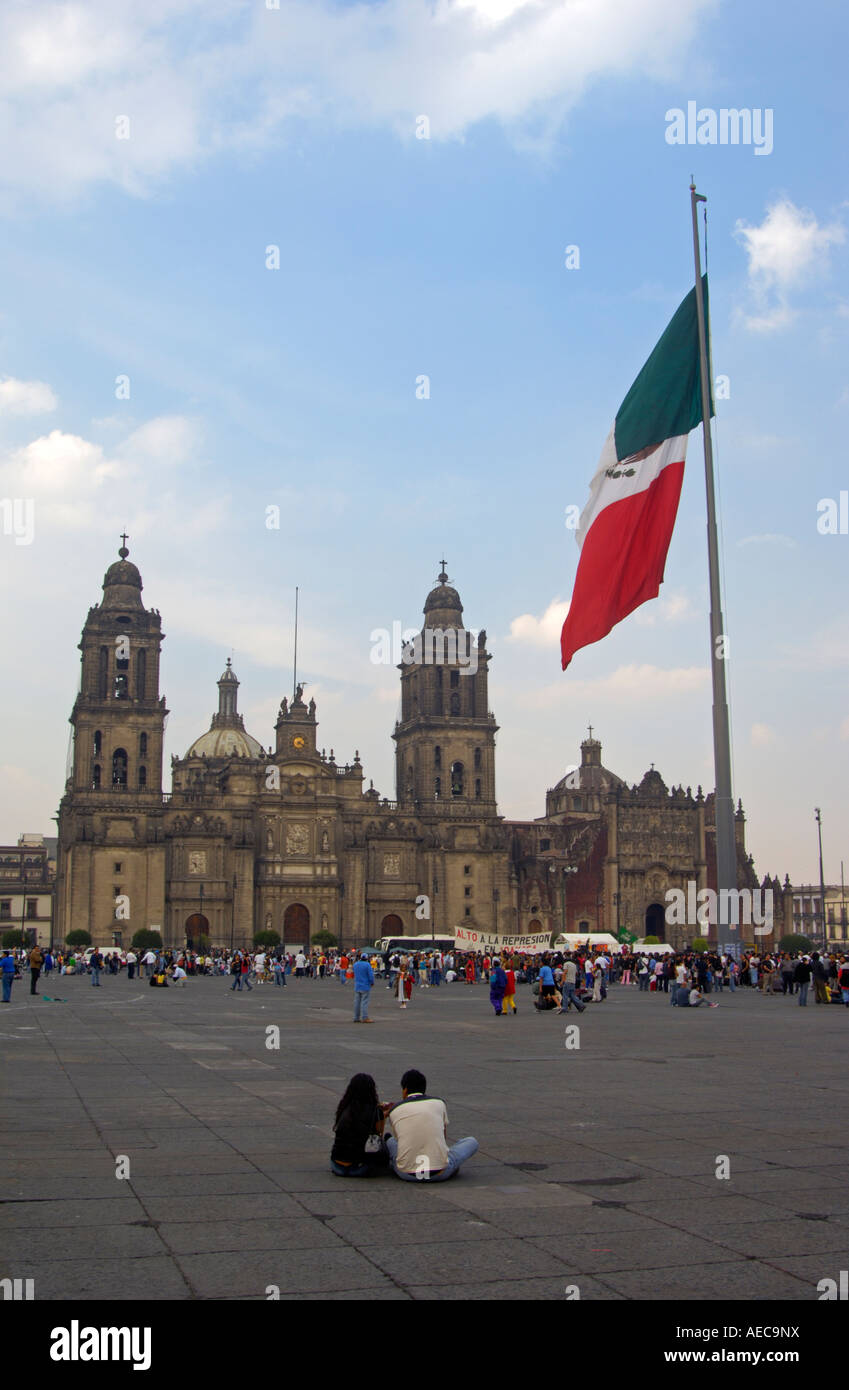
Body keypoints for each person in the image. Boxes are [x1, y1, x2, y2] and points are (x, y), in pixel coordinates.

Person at [385, 1069, 478, 1182]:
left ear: (405, 1090)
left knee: (390, 1141)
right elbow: (443, 1138)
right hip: (440, 1172)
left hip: (406, 1173)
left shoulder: (395, 1110)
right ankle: (447, 1164)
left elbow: (400, 1141)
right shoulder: (439, 1103)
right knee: (471, 1141)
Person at [330, 1074, 390, 1177]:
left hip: (337, 1165)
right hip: (360, 1168)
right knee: (385, 1143)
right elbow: (378, 1135)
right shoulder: (375, 1111)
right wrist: (382, 1115)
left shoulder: (344, 1108)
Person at [352, 951, 375, 1023]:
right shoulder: (367, 965)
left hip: (357, 985)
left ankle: (356, 1017)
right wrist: (372, 982)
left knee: (357, 1002)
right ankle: (364, 1017)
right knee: (364, 1002)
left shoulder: (355, 964)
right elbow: (371, 975)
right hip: (365, 985)